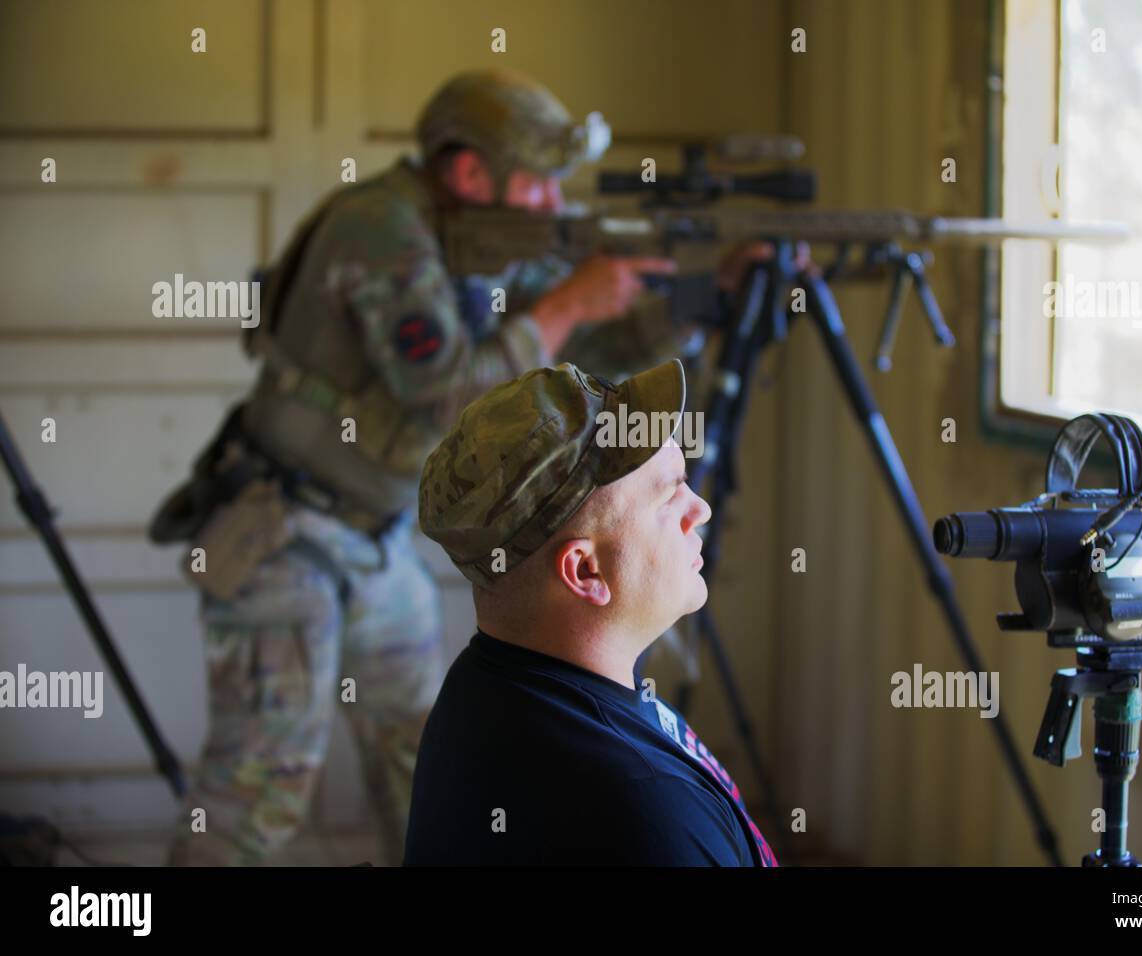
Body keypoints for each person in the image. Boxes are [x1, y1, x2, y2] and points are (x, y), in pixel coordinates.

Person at [149, 67, 774, 866]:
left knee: (425, 770)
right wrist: (570, 302)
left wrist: (696, 299)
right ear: (472, 173)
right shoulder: (381, 229)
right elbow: (442, 399)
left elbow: (586, 353)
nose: (554, 201)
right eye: (538, 180)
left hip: (374, 536)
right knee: (257, 790)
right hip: (282, 529)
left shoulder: (484, 245)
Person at [406, 359, 778, 866]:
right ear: (585, 572)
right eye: (669, 495)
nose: (701, 510)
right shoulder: (645, 811)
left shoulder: (482, 686)